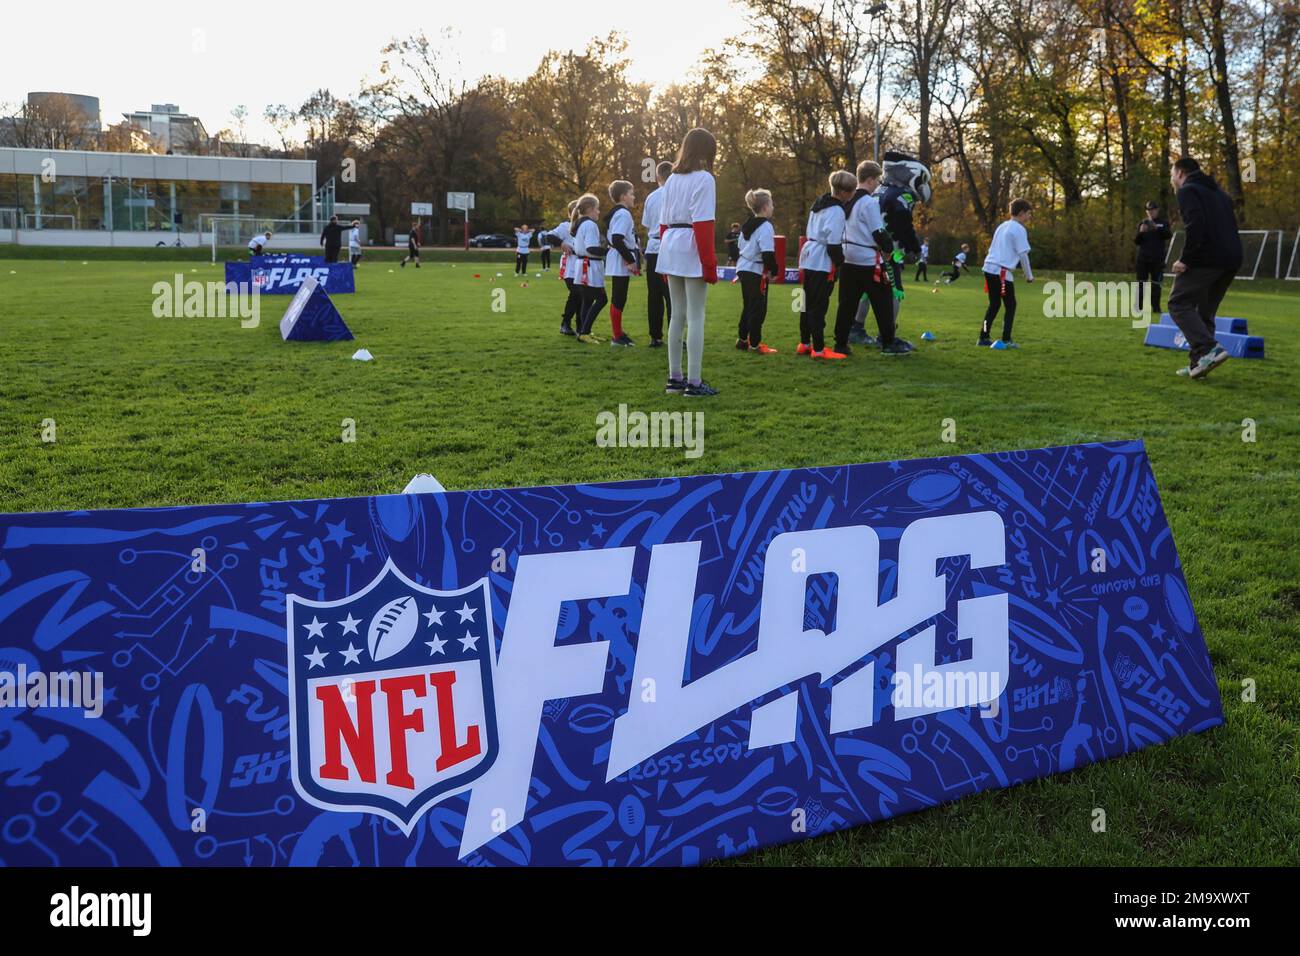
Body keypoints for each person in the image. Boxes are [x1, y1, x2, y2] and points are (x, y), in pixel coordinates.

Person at [657, 127, 720, 397]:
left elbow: (662, 223)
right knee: (696, 315)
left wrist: (664, 257)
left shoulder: (671, 179)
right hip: (691, 241)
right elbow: (704, 224)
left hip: (671, 242)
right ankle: (694, 382)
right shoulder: (704, 179)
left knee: (677, 315)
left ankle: (675, 378)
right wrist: (709, 263)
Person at [1166, 156, 1241, 379]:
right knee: (1204, 311)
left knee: (1178, 303)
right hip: (1231, 258)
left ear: (1180, 173)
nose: (1172, 179)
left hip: (1208, 257)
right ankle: (1199, 363)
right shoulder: (1219, 193)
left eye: (1172, 174)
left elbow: (1195, 225)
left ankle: (1209, 349)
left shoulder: (1188, 190)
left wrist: (1186, 259)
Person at [832, 160, 906, 355]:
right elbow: (878, 231)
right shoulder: (869, 202)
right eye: (877, 180)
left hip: (848, 258)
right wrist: (888, 248)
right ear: (871, 179)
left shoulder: (846, 200)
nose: (878, 185)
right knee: (883, 302)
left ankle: (840, 343)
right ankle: (888, 343)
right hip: (867, 260)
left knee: (846, 304)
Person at [797, 170, 855, 359]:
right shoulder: (836, 210)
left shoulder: (819, 204)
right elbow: (833, 243)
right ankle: (819, 349)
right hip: (822, 259)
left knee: (805, 303)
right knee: (819, 305)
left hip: (809, 255)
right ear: (845, 192)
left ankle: (805, 343)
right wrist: (840, 263)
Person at [979, 199, 1034, 347]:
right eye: (1029, 214)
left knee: (994, 304)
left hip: (989, 268)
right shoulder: (1019, 229)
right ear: (1022, 213)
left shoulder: (1002, 226)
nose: (1029, 217)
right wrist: (1029, 276)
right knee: (1010, 306)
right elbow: (1023, 255)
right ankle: (1006, 339)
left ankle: (983, 337)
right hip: (1001, 272)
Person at [735, 188, 779, 354]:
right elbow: (767, 252)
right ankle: (754, 344)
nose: (773, 207)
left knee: (748, 305)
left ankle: (742, 339)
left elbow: (740, 246)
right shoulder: (766, 226)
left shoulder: (747, 225)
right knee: (758, 308)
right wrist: (773, 271)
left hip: (744, 267)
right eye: (772, 204)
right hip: (756, 270)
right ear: (765, 207)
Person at [603, 180, 640, 347]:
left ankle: (618, 333)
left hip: (618, 256)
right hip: (620, 258)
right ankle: (617, 336)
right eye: (631, 194)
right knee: (619, 297)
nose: (634, 197)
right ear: (623, 196)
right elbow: (617, 239)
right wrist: (630, 260)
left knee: (619, 296)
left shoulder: (618, 213)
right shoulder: (623, 214)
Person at [641, 160, 673, 347]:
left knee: (654, 295)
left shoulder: (651, 197)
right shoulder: (676, 193)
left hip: (653, 248)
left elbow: (646, 225)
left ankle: (655, 335)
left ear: (658, 177)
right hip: (670, 246)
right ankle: (674, 334)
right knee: (673, 295)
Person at [571, 194, 608, 344]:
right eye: (597, 209)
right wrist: (608, 250)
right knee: (602, 299)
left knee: (588, 300)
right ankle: (584, 331)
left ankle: (583, 331)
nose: (599, 212)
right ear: (591, 209)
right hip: (590, 266)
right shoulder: (590, 225)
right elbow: (592, 248)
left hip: (583, 264)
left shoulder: (580, 223)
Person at [1134, 201, 1172, 316]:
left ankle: (1156, 308)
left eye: (1153, 210)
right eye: (1148, 210)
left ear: (1157, 210)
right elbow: (1136, 241)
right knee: (1141, 283)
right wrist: (1141, 232)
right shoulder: (1143, 223)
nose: (1151, 212)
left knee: (1156, 284)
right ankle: (1138, 307)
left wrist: (1157, 228)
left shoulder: (1163, 223)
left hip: (1157, 259)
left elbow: (1168, 235)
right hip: (1143, 258)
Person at [553, 201, 581, 336]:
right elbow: (548, 236)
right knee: (576, 294)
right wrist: (561, 243)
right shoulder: (566, 226)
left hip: (582, 266)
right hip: (570, 267)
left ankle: (580, 327)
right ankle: (566, 323)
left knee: (581, 296)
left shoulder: (586, 226)